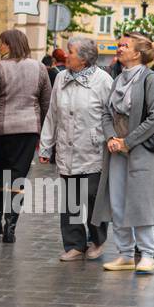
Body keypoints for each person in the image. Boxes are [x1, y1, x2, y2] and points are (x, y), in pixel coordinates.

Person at [95, 33, 154, 274]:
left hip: (142, 150)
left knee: (140, 201)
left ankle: (147, 254)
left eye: (124, 46)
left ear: (137, 53)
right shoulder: (118, 79)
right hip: (116, 148)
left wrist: (128, 141)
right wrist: (111, 138)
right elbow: (106, 113)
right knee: (117, 201)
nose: (119, 48)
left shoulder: (150, 79)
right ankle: (125, 254)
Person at [38, 38, 112, 261]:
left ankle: (98, 240)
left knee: (91, 197)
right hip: (66, 148)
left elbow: (113, 116)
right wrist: (45, 146)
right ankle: (74, 244)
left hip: (92, 149)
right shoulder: (61, 78)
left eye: (70, 52)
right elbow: (52, 115)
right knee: (70, 199)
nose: (66, 55)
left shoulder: (103, 81)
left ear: (84, 58)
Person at [0, 30, 51, 243]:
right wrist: (42, 131)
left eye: (2, 43)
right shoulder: (39, 68)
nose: (0, 46)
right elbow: (46, 103)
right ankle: (10, 226)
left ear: (9, 45)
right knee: (17, 178)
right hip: (28, 130)